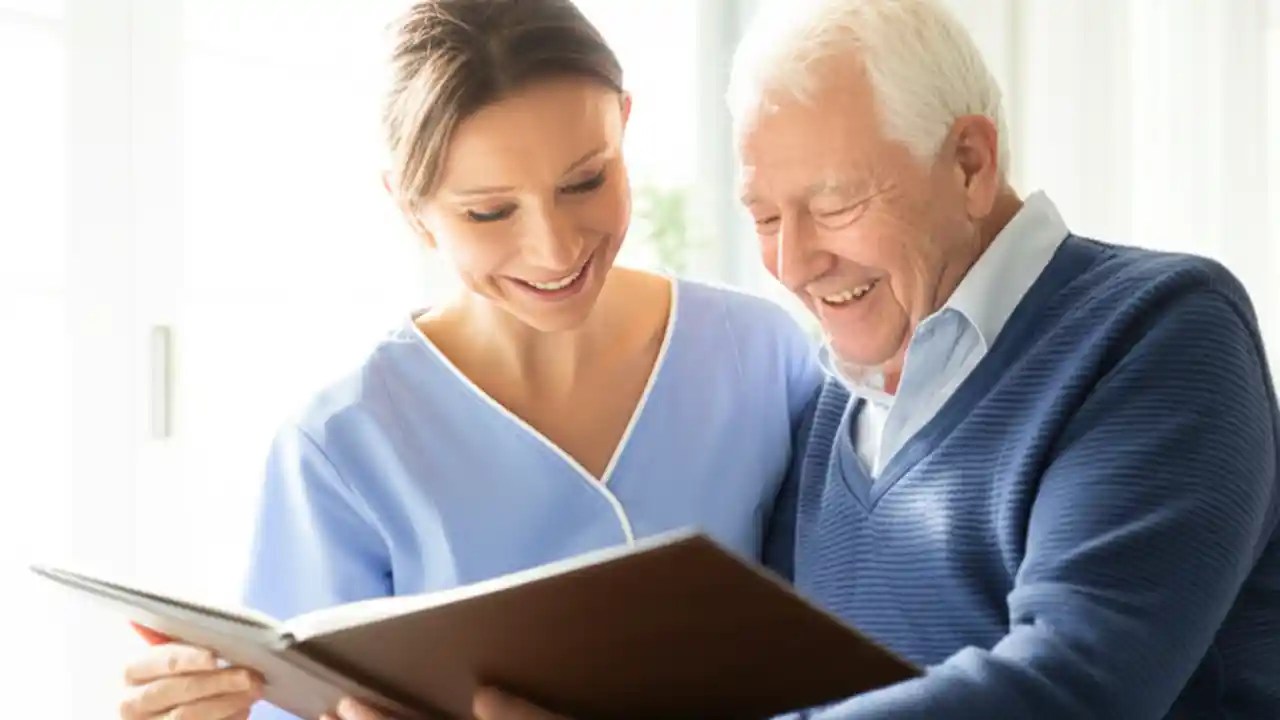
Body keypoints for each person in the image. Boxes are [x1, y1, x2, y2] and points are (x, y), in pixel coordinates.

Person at [428, 0, 1280, 718]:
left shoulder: (1160, 333)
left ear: (971, 163)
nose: (794, 264)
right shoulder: (830, 401)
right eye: (764, 218)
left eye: (833, 205)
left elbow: (1073, 685)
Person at [115, 1, 822, 719]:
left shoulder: (761, 356)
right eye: (489, 212)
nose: (555, 249)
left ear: (624, 124)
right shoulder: (342, 446)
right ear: (410, 207)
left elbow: (846, 649)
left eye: (586, 181)